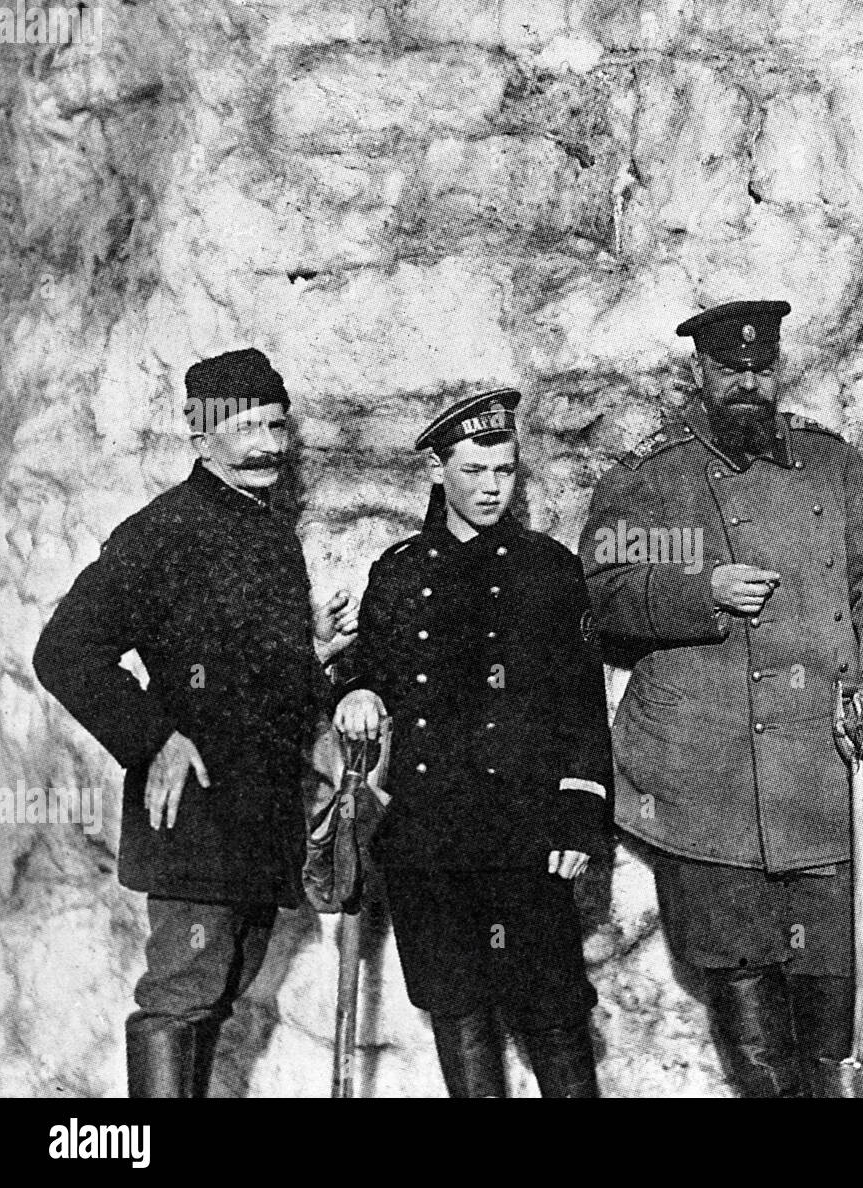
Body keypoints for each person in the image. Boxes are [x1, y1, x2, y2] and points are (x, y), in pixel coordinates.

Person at [578, 300, 863, 1096]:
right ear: (698, 373)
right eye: (730, 370)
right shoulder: (651, 476)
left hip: (818, 772)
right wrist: (700, 591)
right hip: (709, 781)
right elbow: (600, 592)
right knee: (745, 988)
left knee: (832, 987)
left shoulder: (832, 466)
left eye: (760, 370)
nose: (747, 384)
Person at [33, 348, 357, 1097]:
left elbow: (244, 678)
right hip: (196, 820)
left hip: (258, 820)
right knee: (181, 996)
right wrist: (153, 739)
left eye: (276, 425)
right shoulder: (163, 532)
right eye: (244, 427)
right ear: (197, 435)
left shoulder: (272, 537)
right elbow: (65, 651)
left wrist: (307, 654)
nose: (267, 444)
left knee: (220, 994)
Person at [334, 389, 612, 1098]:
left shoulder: (547, 569)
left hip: (524, 835)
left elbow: (581, 703)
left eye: (506, 472)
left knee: (553, 1012)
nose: (492, 488)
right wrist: (355, 690)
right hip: (429, 840)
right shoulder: (398, 572)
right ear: (437, 470)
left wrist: (579, 814)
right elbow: (371, 669)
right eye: (475, 471)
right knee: (457, 1012)